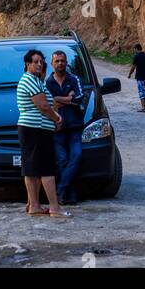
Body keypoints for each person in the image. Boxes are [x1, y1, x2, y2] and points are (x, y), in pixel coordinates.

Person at [16, 49, 67, 218]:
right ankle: (54, 208)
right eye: (35, 62)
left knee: (33, 169)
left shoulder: (36, 80)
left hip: (37, 129)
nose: (39, 64)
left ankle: (35, 205)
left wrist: (54, 114)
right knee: (46, 169)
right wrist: (56, 119)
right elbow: (43, 105)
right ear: (27, 64)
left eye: (40, 62)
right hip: (34, 129)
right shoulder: (29, 80)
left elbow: (50, 102)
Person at [46, 49, 86, 205]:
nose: (60, 63)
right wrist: (67, 98)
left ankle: (61, 190)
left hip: (75, 126)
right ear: (52, 64)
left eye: (62, 60)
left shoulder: (74, 79)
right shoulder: (47, 83)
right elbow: (49, 102)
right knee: (62, 160)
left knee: (76, 156)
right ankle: (70, 194)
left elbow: (79, 98)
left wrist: (59, 100)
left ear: (66, 62)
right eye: (57, 61)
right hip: (57, 128)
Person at [127, 43, 145, 112]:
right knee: (142, 89)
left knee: (141, 91)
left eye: (134, 49)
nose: (134, 51)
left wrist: (129, 74)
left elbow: (133, 67)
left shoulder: (136, 56)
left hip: (140, 76)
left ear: (136, 49)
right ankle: (143, 106)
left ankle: (143, 107)